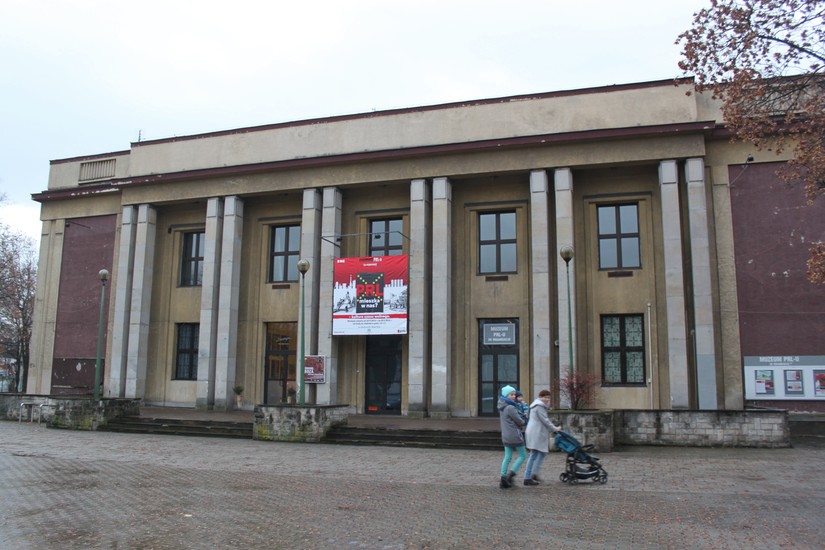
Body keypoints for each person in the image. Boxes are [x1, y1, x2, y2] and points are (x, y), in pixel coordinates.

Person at [523, 389, 561, 486]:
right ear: (540, 397)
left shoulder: (538, 405)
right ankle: (528, 477)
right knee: (534, 454)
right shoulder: (539, 406)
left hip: (536, 432)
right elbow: (545, 420)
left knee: (541, 453)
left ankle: (534, 473)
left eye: (548, 397)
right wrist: (555, 429)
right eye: (545, 397)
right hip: (536, 432)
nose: (547, 399)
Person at [497, 385, 527, 488]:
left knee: (507, 456)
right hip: (514, 435)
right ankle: (511, 475)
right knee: (523, 455)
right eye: (511, 394)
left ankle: (503, 478)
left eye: (514, 394)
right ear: (506, 395)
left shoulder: (502, 405)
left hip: (505, 435)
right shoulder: (510, 407)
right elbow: (519, 421)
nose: (514, 396)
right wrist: (525, 419)